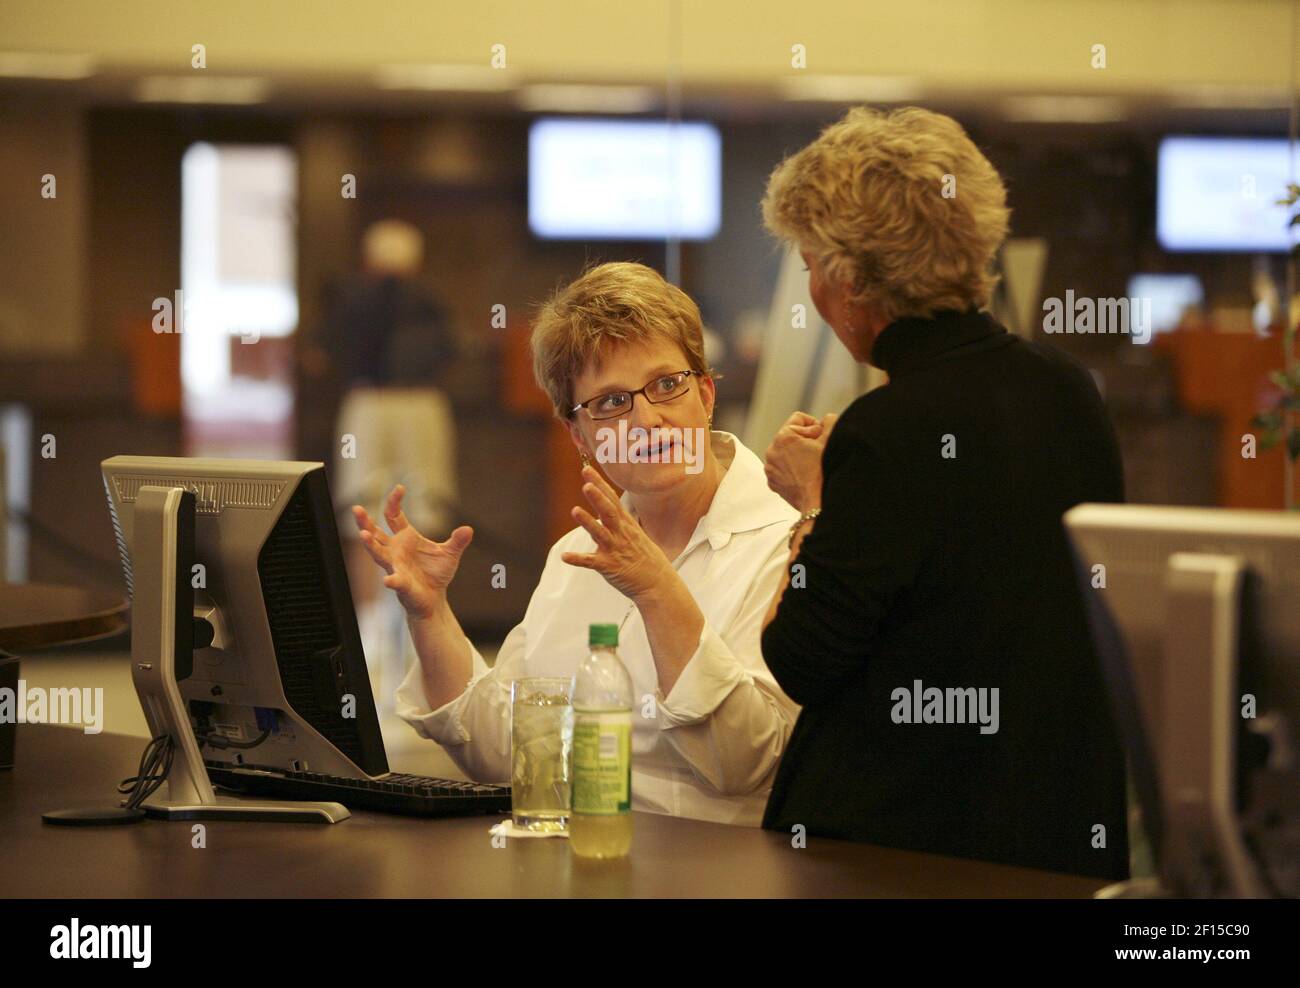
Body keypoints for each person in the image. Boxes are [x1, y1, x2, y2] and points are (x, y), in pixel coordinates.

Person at [757, 106, 1130, 880]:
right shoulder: (1070, 393)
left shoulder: (887, 428)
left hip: (906, 842)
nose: (815, 295)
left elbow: (801, 659)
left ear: (852, 277)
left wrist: (813, 503)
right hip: (1052, 822)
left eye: (811, 267)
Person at [355, 261, 800, 825]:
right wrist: (430, 613)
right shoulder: (574, 557)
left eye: (667, 385)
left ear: (706, 394)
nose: (648, 422)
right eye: (612, 403)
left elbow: (745, 763)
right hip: (578, 864)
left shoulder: (786, 540)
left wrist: (657, 590)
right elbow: (506, 754)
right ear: (580, 435)